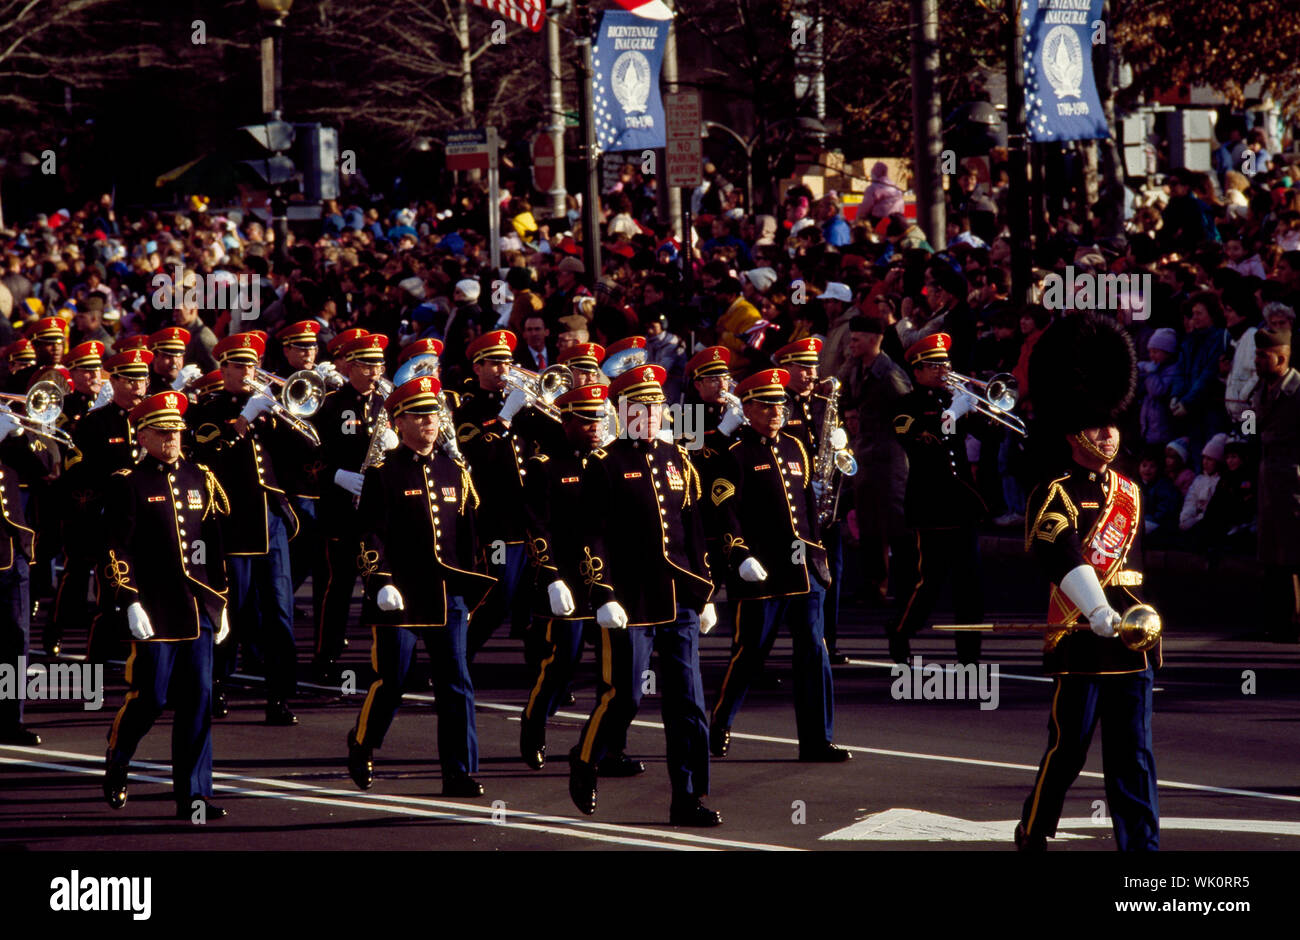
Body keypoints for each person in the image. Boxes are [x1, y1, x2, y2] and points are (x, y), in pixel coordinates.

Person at [1016, 313, 1159, 852]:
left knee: (1135, 754)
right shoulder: (1054, 491)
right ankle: (1034, 830)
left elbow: (1138, 570)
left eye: (1111, 424)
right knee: (1069, 750)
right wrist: (1097, 610)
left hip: (1132, 639)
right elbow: (1058, 550)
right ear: (1073, 432)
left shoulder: (1130, 487)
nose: (1108, 433)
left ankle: (1142, 853)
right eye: (1096, 426)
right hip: (1082, 634)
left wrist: (1136, 623)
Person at [568, 364, 721, 826]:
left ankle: (689, 797)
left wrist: (706, 591)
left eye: (656, 405)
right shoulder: (604, 465)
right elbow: (589, 535)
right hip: (630, 601)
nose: (651, 414)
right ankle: (586, 757)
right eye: (640, 406)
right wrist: (603, 593)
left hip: (679, 600)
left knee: (689, 703)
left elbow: (694, 532)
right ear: (623, 412)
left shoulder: (678, 459)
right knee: (625, 697)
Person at [344, 375, 496, 797]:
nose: (429, 422)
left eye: (433, 414)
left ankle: (458, 770)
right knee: (392, 679)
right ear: (399, 422)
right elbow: (370, 534)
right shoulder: (383, 474)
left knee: (457, 682)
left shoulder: (454, 470)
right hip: (400, 596)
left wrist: (472, 586)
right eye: (419, 415)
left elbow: (468, 537)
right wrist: (379, 580)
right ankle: (363, 742)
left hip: (447, 595)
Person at [705, 367, 848, 762]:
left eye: (780, 405)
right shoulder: (735, 454)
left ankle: (817, 739)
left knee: (813, 652)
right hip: (762, 568)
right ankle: (720, 720)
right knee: (751, 650)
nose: (776, 412)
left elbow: (805, 506)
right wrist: (739, 553)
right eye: (766, 406)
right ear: (747, 408)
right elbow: (724, 510)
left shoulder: (796, 447)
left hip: (803, 568)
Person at [101, 391, 232, 819]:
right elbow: (118, 547)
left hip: (196, 610)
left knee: (198, 700)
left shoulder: (200, 477)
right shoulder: (128, 482)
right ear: (143, 435)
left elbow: (213, 548)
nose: (172, 437)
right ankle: (120, 754)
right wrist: (129, 599)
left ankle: (194, 797)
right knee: (151, 697)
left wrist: (222, 602)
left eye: (176, 430)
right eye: (162, 431)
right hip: (154, 609)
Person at [518, 383, 642, 776]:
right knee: (562, 662)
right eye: (585, 420)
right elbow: (536, 526)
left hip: (608, 582)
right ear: (566, 420)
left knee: (618, 673)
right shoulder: (545, 465)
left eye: (598, 419)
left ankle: (609, 747)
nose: (594, 426)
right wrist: (551, 577)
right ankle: (534, 724)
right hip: (567, 578)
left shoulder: (611, 461)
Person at [186, 332, 301, 725]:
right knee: (231, 610)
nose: (248, 371)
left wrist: (286, 414)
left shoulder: (269, 409)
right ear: (224, 369)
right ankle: (217, 682)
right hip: (233, 521)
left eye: (252, 365)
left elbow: (304, 453)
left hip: (270, 520)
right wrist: (243, 419)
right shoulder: (208, 409)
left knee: (279, 611)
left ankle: (279, 694)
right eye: (239, 365)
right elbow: (205, 455)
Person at [887, 333, 986, 663]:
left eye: (946, 363)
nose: (944, 370)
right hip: (931, 507)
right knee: (928, 584)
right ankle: (900, 632)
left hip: (963, 505)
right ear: (917, 371)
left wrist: (982, 409)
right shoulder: (906, 407)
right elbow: (920, 446)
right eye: (935, 365)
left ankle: (969, 657)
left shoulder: (952, 401)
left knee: (970, 588)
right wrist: (953, 416)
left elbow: (991, 437)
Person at [311, 331, 394, 680]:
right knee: (340, 584)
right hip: (341, 509)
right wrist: (335, 476)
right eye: (368, 365)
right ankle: (325, 656)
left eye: (379, 365)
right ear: (351, 366)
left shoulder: (387, 404)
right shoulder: (330, 405)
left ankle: (386, 659)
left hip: (376, 507)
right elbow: (311, 458)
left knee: (382, 581)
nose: (376, 372)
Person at [65, 347, 152, 661]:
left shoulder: (153, 419)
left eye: (142, 379)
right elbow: (82, 474)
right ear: (113, 381)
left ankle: (143, 664)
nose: (138, 387)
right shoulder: (97, 423)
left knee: (150, 596)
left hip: (151, 518)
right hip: (112, 518)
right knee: (112, 593)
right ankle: (97, 666)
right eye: (130, 381)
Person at [454, 330, 533, 660]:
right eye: (496, 363)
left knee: (535, 594)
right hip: (497, 519)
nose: (505, 369)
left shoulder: (522, 403)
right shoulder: (468, 409)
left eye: (508, 362)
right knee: (497, 594)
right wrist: (504, 419)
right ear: (478, 367)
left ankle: (541, 666)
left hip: (530, 516)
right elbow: (475, 453)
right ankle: (459, 654)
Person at [1251, 327, 1300, 642]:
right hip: (1270, 482)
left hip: (1295, 482)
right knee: (1273, 557)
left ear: (1281, 357)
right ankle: (1279, 622)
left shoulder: (1297, 390)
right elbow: (1252, 429)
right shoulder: (1262, 390)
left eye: (1262, 355)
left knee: (1296, 555)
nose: (1257, 361)